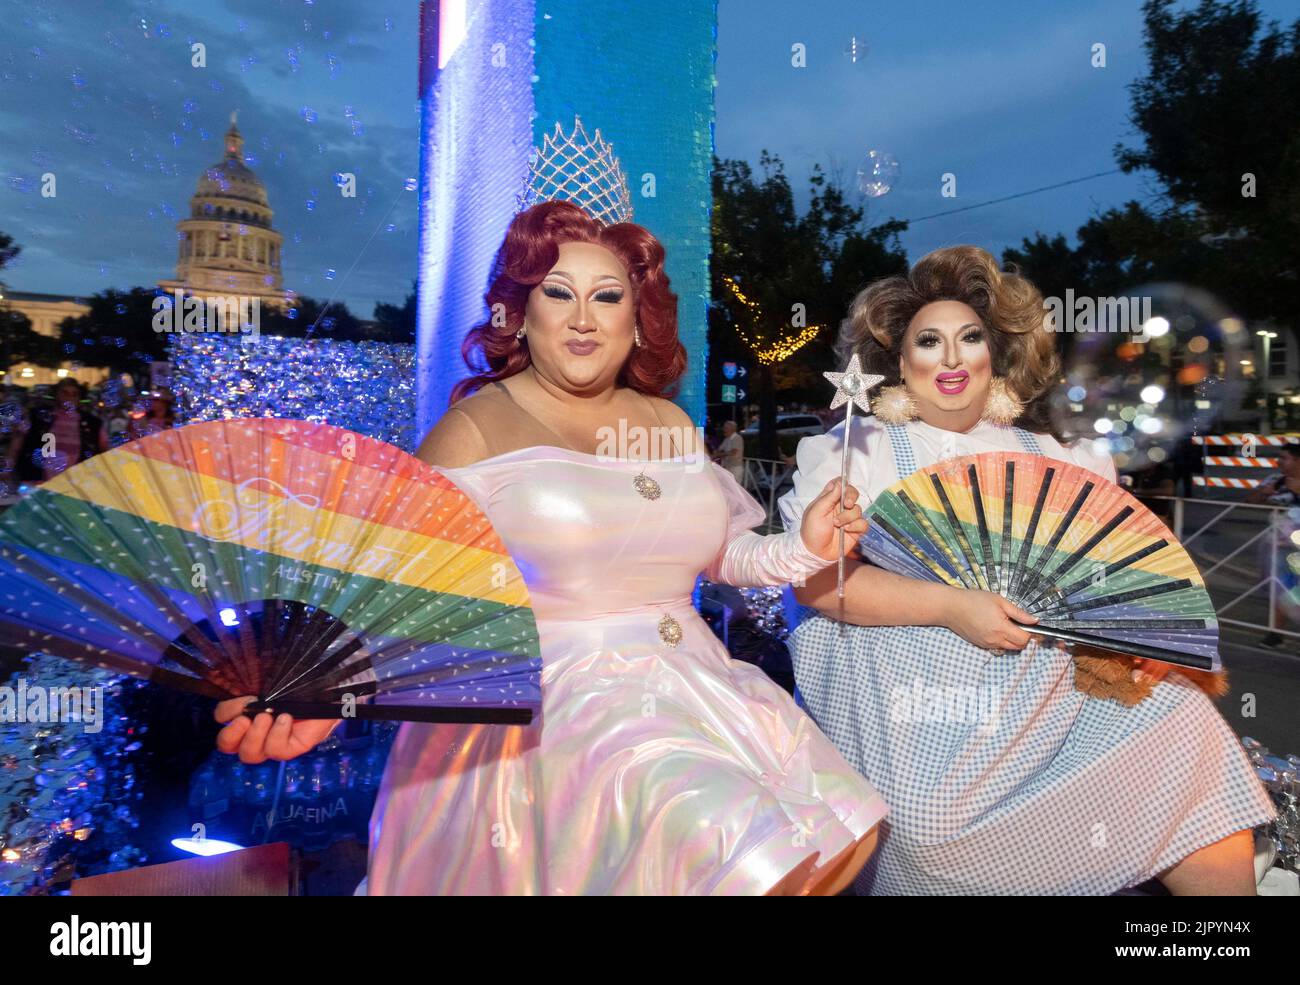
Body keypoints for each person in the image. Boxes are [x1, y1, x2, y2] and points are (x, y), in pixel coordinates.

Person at [215, 200, 888, 895]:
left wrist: (805, 545)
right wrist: (331, 697)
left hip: (698, 690)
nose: (583, 317)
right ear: (522, 314)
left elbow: (722, 555)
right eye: (557, 294)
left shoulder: (668, 423)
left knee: (841, 833)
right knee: (728, 837)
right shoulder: (475, 430)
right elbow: (405, 592)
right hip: (556, 711)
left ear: (637, 319)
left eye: (608, 296)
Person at [778, 245, 1274, 895]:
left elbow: (1107, 574)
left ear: (996, 353)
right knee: (929, 831)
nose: (952, 358)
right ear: (897, 362)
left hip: (1047, 688)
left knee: (1193, 746)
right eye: (929, 340)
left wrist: (1143, 636)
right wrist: (954, 606)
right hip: (915, 693)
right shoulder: (855, 452)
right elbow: (818, 583)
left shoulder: (1054, 452)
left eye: (970, 338)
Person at [1247, 441, 1300, 649]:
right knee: (1281, 587)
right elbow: (1250, 501)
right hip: (1279, 543)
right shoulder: (1275, 480)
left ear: (1298, 460)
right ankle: (1275, 633)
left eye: (1284, 457)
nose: (1279, 461)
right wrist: (1264, 494)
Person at [9, 378, 109, 484]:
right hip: (38, 479)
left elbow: (104, 449)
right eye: (64, 392)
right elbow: (17, 443)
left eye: (74, 394)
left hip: (77, 482)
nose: (69, 397)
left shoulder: (92, 423)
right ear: (56, 394)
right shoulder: (36, 416)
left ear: (79, 397)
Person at [713, 418, 745, 483]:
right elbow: (719, 449)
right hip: (728, 467)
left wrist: (717, 454)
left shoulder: (737, 438)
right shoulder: (727, 439)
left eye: (725, 428)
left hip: (735, 468)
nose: (723, 430)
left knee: (735, 488)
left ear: (732, 429)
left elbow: (733, 452)